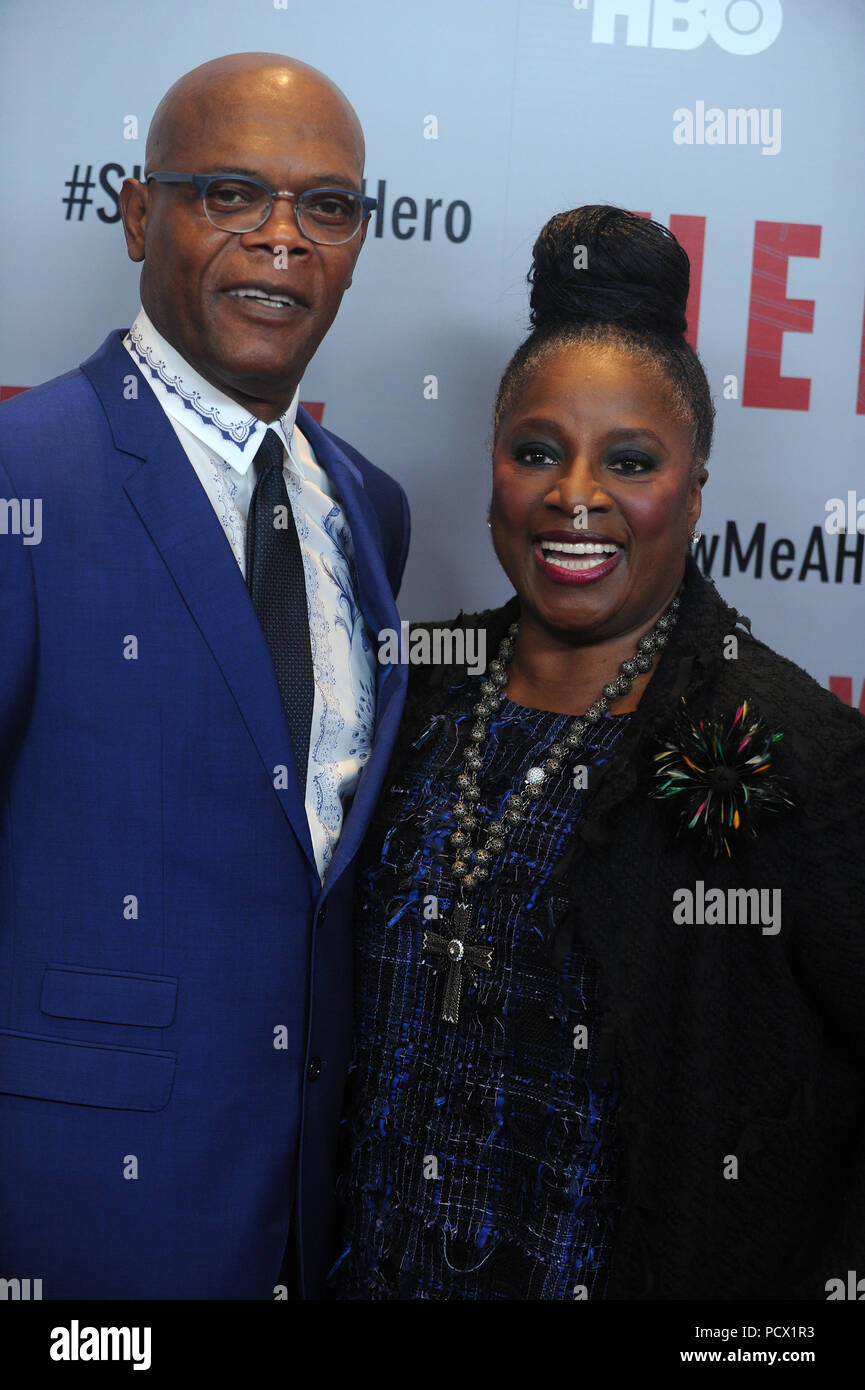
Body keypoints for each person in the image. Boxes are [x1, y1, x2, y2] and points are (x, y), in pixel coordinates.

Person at [330, 205, 865, 1300]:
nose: (575, 497)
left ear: (695, 486)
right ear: (493, 467)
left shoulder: (796, 753)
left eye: (629, 459)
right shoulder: (414, 692)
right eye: (538, 452)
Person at [0, 52, 409, 1299]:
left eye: (325, 206)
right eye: (232, 193)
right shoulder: (24, 473)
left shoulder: (368, 508)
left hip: (302, 1220)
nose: (283, 239)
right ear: (139, 214)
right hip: (69, 1217)